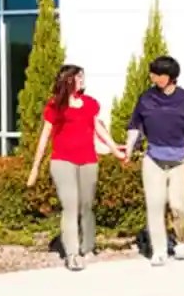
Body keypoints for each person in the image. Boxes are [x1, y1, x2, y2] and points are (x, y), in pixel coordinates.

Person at [26, 64, 127, 271]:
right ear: (68, 80)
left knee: (86, 206)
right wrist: (35, 168)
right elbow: (45, 136)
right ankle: (72, 254)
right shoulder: (55, 106)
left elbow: (99, 128)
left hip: (89, 160)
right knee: (70, 206)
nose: (82, 80)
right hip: (63, 161)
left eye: (82, 76)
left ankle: (87, 246)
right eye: (78, 77)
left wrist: (115, 150)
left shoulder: (90, 104)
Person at [123, 55, 184, 267]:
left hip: (179, 161)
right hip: (153, 160)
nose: (152, 76)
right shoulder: (146, 99)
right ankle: (158, 250)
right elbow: (135, 127)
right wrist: (129, 149)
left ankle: (181, 241)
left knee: (178, 207)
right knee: (155, 205)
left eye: (156, 73)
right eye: (152, 72)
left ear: (169, 77)